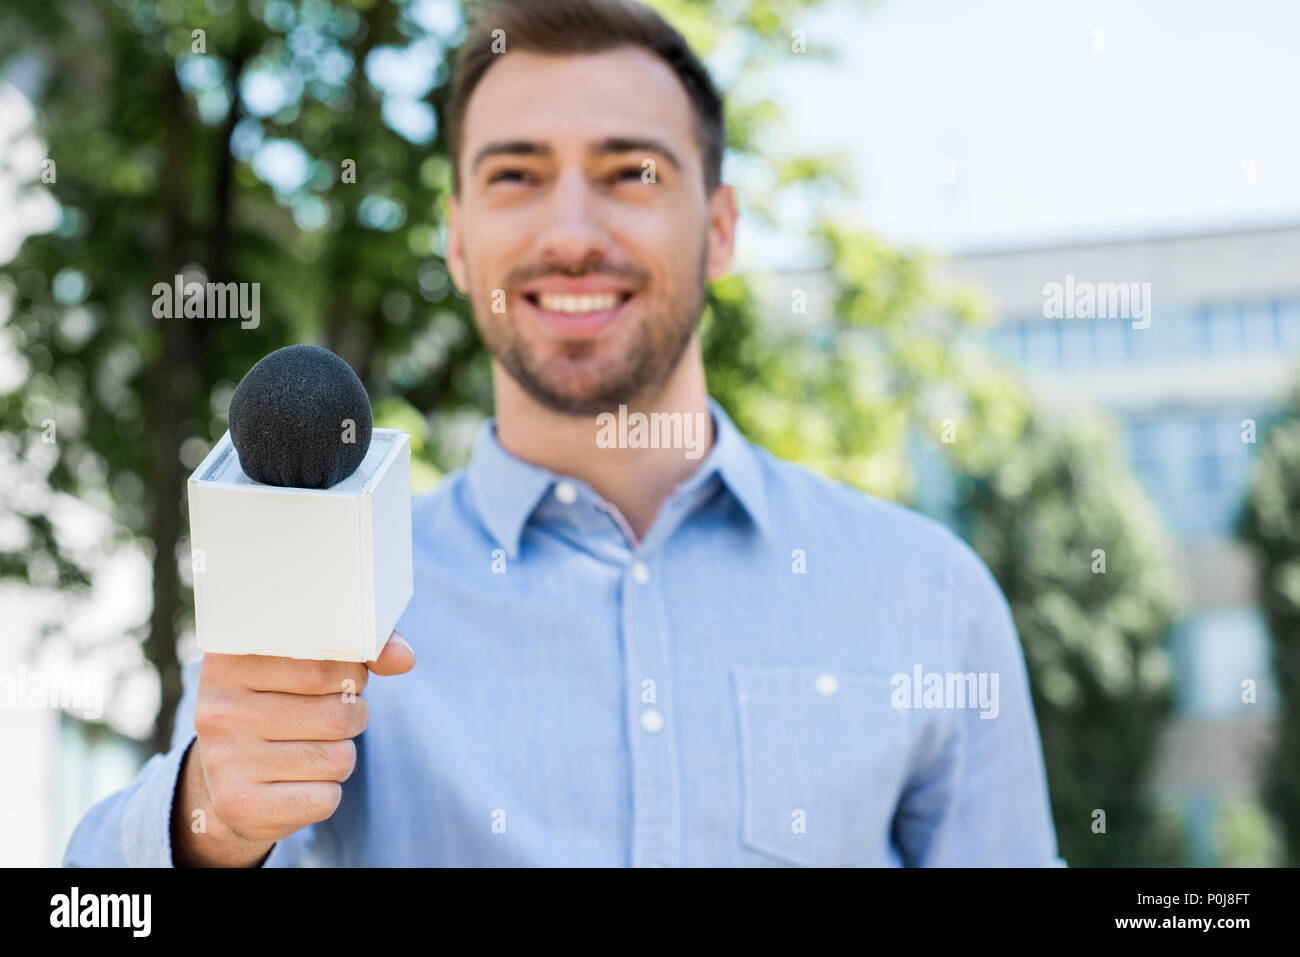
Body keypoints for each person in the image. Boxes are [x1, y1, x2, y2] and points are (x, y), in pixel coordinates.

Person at [65, 0, 1061, 867]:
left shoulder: (926, 596)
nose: (572, 231)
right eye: (516, 176)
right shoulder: (330, 598)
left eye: (630, 172)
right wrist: (207, 819)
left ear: (718, 227)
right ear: (457, 240)